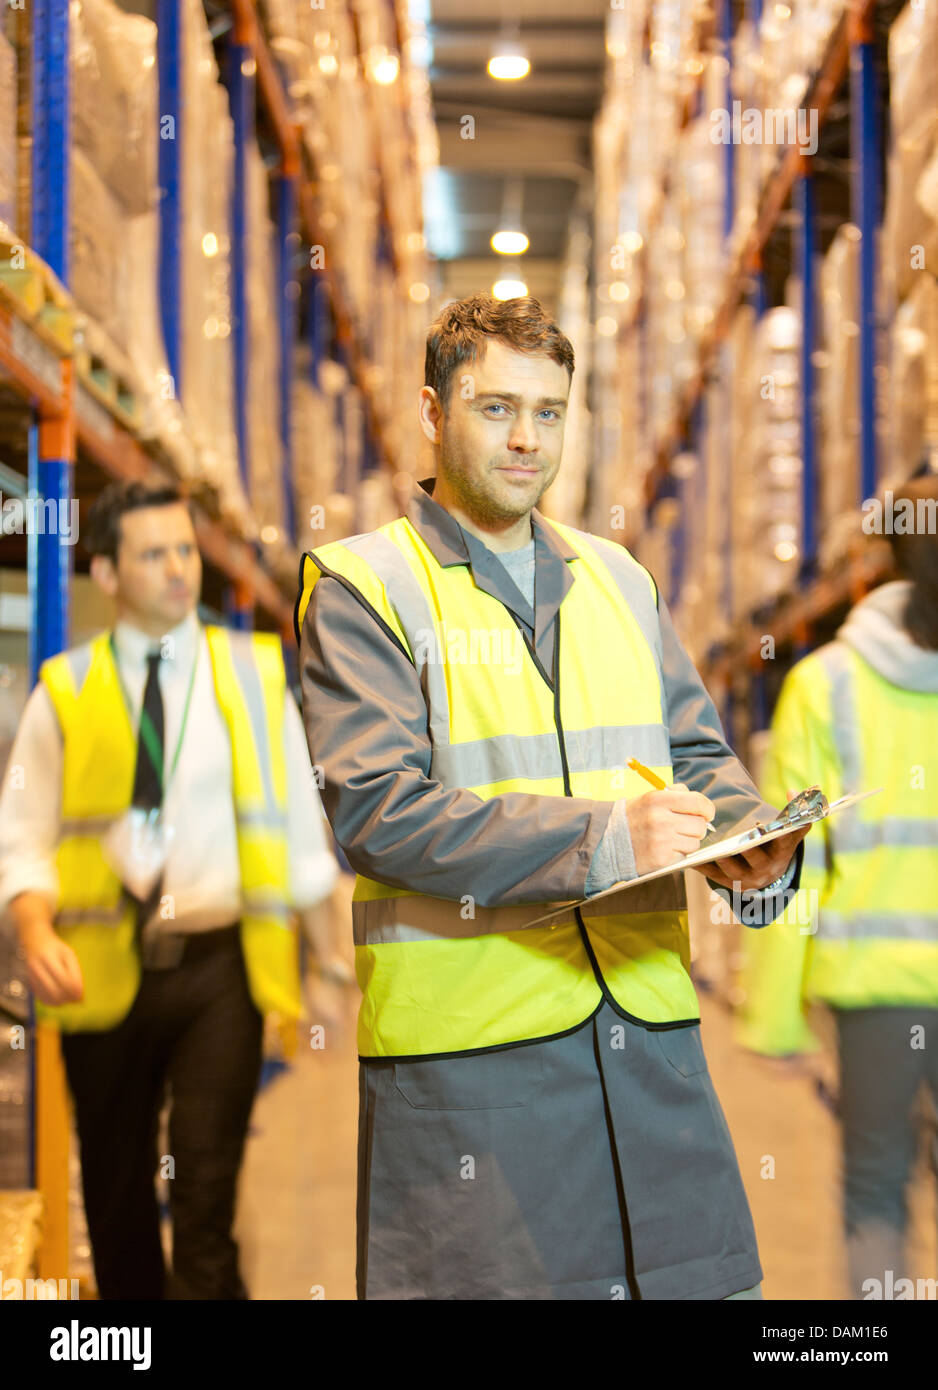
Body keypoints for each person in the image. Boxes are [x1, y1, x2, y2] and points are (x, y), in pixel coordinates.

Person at [296, 292, 808, 1301]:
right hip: (472, 1060)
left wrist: (755, 847)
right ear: (433, 413)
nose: (527, 438)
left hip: (649, 1046)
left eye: (549, 411)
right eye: (495, 408)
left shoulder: (618, 579)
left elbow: (697, 757)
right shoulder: (363, 585)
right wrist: (606, 841)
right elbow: (377, 810)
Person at [0, 480, 339, 1300]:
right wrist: (36, 933)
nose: (180, 569)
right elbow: (24, 841)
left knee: (204, 1193)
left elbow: (300, 833)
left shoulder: (258, 678)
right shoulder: (66, 691)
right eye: (154, 555)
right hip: (101, 970)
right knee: (115, 1203)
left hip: (220, 972)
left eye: (185, 549)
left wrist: (331, 968)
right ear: (108, 574)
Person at [737, 472, 938, 1300]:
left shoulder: (826, 685)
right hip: (877, 996)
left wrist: (778, 1017)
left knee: (875, 1188)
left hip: (875, 997)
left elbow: (794, 864)